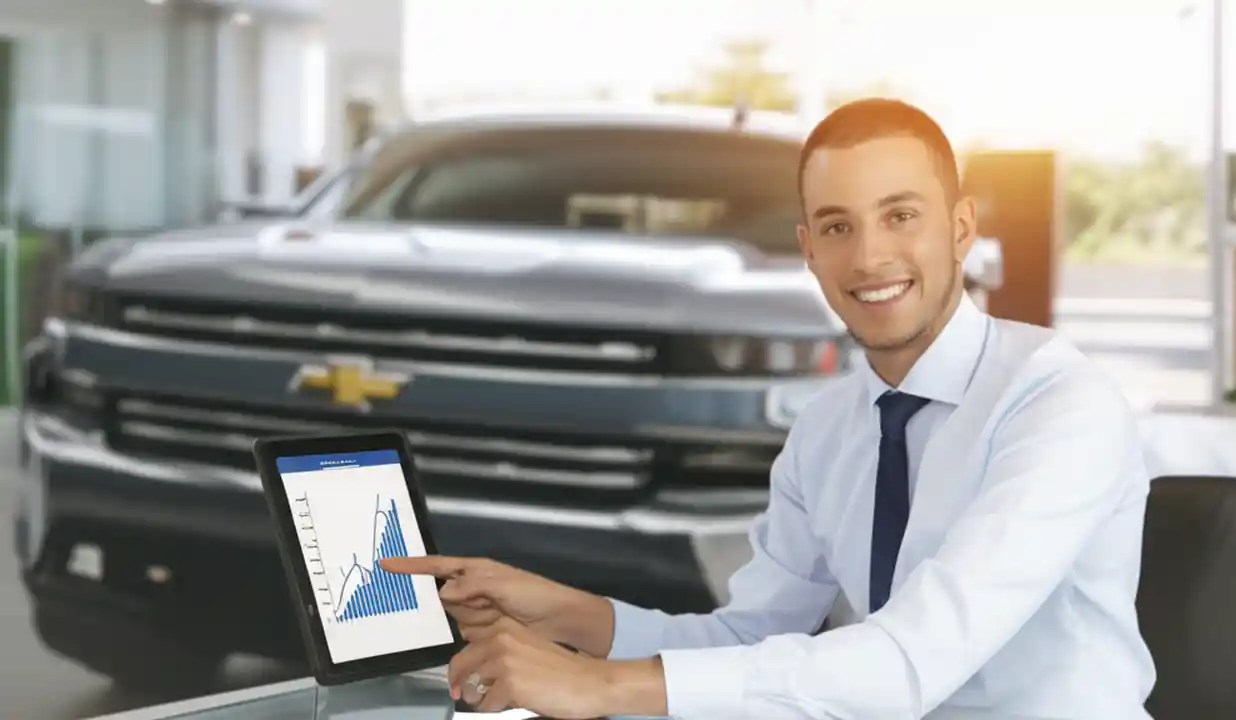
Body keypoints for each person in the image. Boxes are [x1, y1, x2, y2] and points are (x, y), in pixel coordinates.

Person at [382, 98, 1157, 719]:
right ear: (809, 250)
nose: (870, 257)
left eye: (901, 216)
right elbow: (750, 639)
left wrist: (604, 688)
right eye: (837, 227)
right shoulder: (827, 428)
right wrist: (572, 616)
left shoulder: (1058, 405)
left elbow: (910, 663)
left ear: (960, 229)